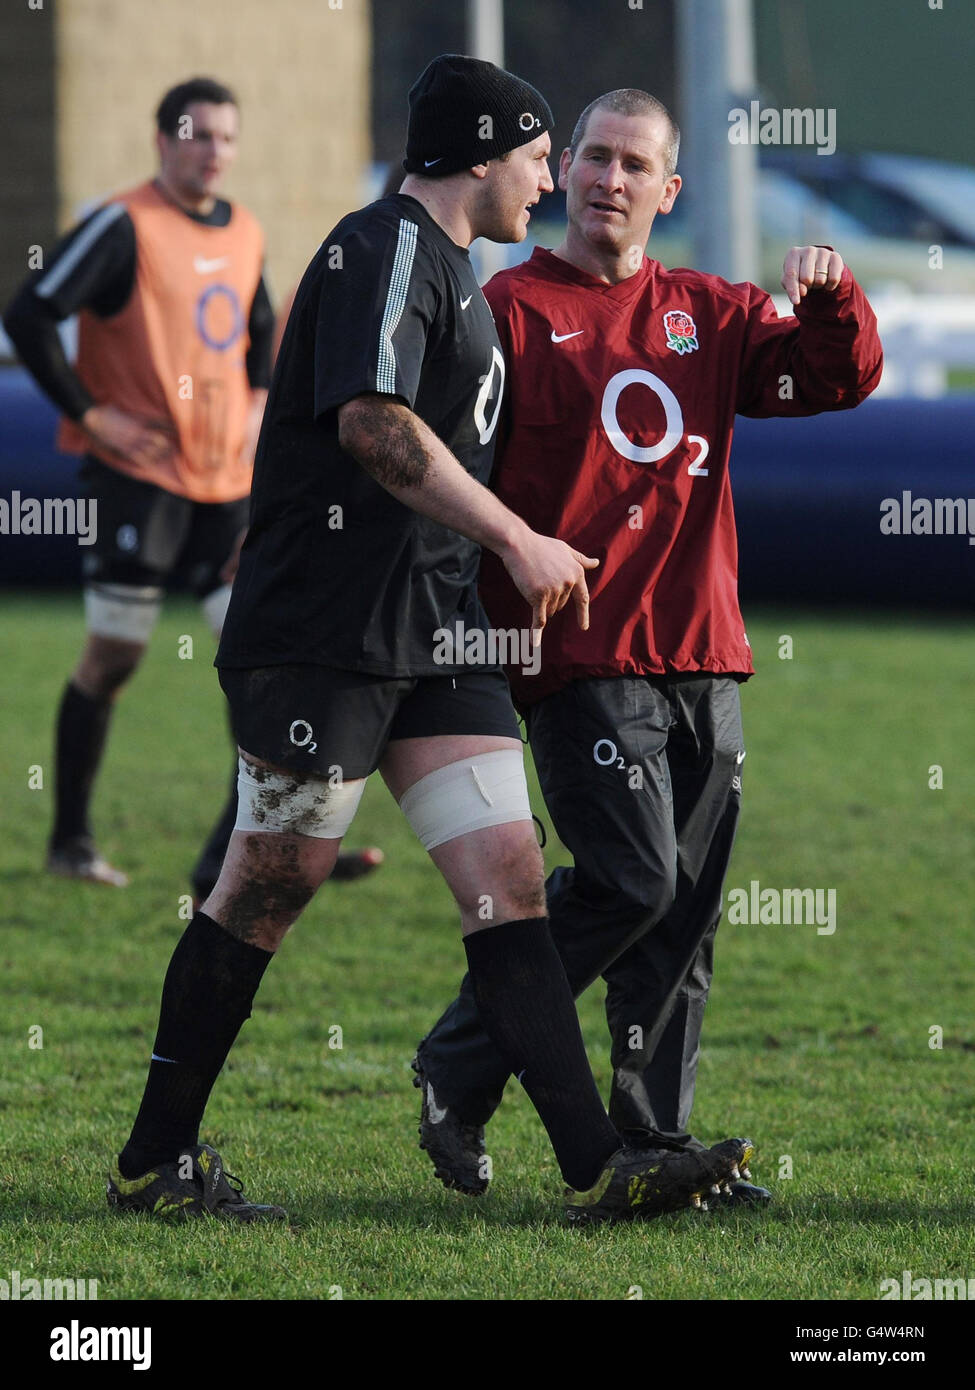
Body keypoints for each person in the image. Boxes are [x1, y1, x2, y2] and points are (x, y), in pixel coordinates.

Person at [104, 56, 753, 1227]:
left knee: (509, 885)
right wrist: (519, 538)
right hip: (330, 632)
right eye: (542, 152)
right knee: (269, 882)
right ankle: (159, 1160)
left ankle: (599, 1162)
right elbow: (371, 420)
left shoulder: (460, 271)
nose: (553, 176)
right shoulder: (391, 241)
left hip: (437, 632)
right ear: (481, 152)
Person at [412, 88, 883, 1202]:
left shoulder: (710, 313)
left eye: (636, 167)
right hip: (579, 653)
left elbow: (836, 378)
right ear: (564, 168)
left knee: (684, 907)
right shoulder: (509, 311)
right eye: (595, 159)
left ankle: (656, 1141)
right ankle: (459, 1061)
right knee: (630, 878)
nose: (610, 181)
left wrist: (831, 294)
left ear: (669, 193)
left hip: (703, 653)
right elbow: (446, 474)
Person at [3, 76, 379, 896]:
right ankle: (70, 840)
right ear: (162, 140)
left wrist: (252, 408)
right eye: (197, 134)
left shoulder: (243, 229)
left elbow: (256, 339)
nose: (213, 152)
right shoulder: (123, 224)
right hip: (136, 481)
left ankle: (249, 848)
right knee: (115, 654)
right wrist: (92, 416)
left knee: (265, 661)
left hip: (223, 487)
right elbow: (29, 312)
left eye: (225, 137)